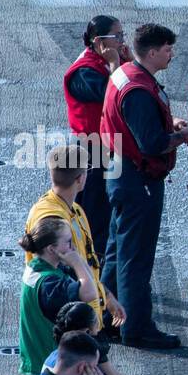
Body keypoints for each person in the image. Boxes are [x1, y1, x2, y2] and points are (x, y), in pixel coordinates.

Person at [100, 23, 188, 350]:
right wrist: (182, 137)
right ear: (152, 52)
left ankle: (106, 318)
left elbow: (137, 127)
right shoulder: (139, 90)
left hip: (118, 169)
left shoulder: (125, 74)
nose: (172, 55)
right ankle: (136, 327)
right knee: (135, 258)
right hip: (137, 178)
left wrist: (170, 124)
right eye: (168, 50)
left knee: (116, 252)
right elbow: (152, 143)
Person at [24, 142, 126, 343]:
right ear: (81, 179)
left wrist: (107, 296)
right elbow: (68, 277)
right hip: (70, 327)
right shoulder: (54, 221)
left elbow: (86, 264)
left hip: (86, 319)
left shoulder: (75, 211)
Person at [63, 15, 130, 259]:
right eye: (118, 37)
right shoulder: (83, 73)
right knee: (95, 212)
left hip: (108, 146)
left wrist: (129, 62)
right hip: (91, 151)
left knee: (107, 209)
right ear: (99, 41)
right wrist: (116, 65)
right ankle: (91, 266)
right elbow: (115, 96)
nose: (122, 42)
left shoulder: (110, 61)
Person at [18, 217, 99, 375]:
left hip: (40, 359)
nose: (72, 247)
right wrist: (77, 262)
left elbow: (89, 283)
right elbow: (90, 293)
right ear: (51, 249)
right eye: (68, 242)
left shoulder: (37, 267)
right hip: (51, 366)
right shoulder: (50, 284)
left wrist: (77, 261)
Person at [46, 302, 127, 375]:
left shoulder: (58, 354)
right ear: (86, 332)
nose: (98, 331)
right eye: (96, 324)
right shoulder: (84, 369)